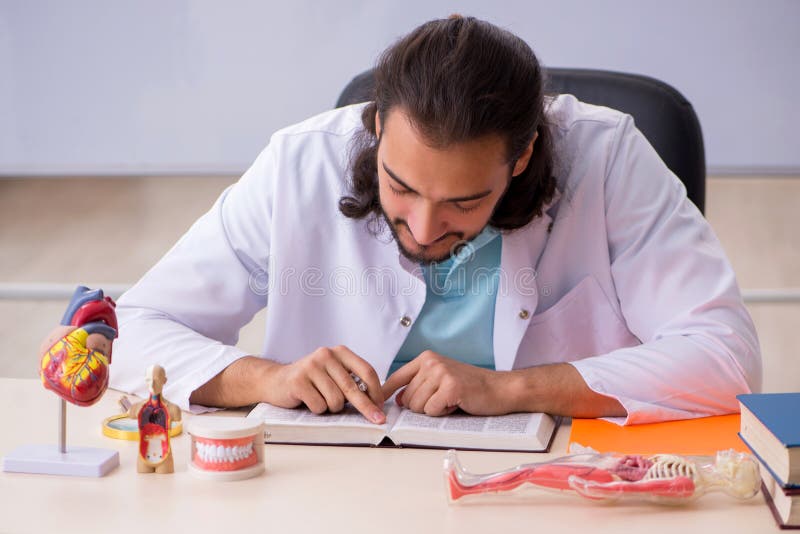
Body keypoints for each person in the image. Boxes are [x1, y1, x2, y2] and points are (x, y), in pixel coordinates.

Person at [108, 15, 761, 425]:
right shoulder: (299, 164)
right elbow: (137, 329)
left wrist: (513, 389)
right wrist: (267, 378)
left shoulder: (609, 158)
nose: (422, 228)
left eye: (464, 201)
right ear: (375, 127)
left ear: (524, 154)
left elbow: (725, 358)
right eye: (401, 186)